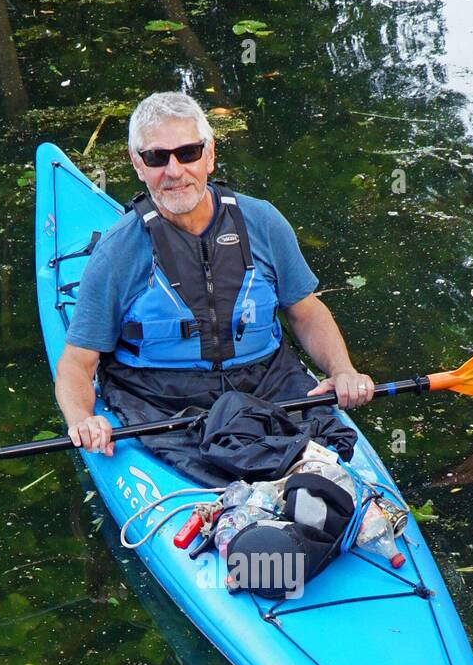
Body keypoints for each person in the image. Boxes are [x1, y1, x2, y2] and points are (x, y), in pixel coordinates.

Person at [53, 90, 377, 483]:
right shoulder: (118, 252)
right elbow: (76, 363)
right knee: (222, 467)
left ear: (209, 155)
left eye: (187, 153)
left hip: (268, 382)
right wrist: (84, 420)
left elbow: (306, 312)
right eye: (157, 157)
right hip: (162, 399)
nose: (174, 171)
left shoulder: (263, 223)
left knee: (330, 446)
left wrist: (342, 370)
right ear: (138, 165)